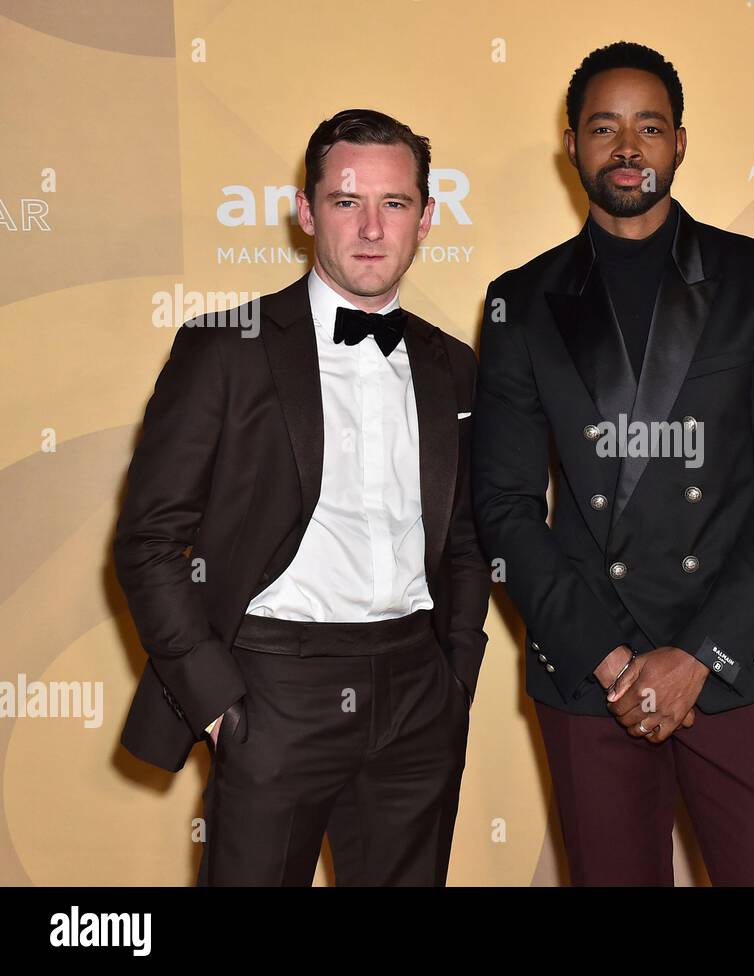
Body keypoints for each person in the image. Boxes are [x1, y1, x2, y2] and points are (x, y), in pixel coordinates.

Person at [472, 42, 754, 885]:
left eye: (649, 126)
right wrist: (609, 660)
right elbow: (506, 505)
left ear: (679, 143)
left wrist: (698, 656)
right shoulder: (520, 301)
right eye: (604, 127)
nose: (628, 147)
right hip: (589, 667)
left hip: (741, 660)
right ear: (573, 147)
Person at [114, 108, 490, 886]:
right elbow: (149, 540)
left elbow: (465, 539)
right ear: (305, 211)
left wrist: (455, 674)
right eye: (347, 201)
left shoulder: (454, 365)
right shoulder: (225, 348)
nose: (371, 228)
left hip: (419, 688)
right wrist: (220, 705)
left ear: (427, 218)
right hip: (273, 686)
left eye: (394, 204)